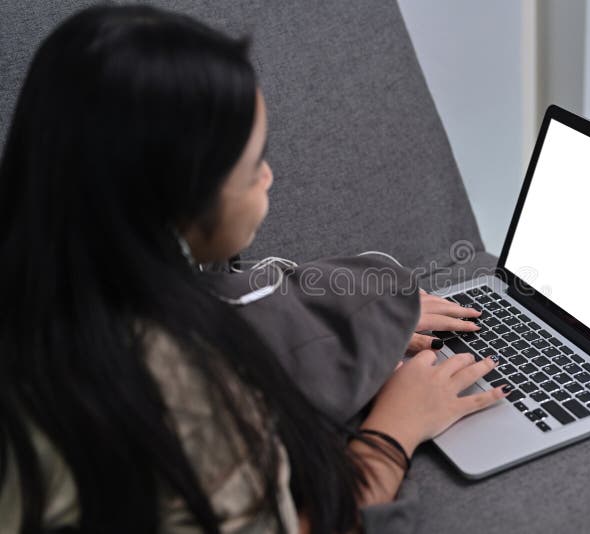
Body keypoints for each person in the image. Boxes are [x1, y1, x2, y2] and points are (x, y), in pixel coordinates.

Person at [0, 5, 506, 533]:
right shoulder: (184, 390)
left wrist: (368, 315)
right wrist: (396, 429)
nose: (269, 176)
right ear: (177, 202)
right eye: (251, 167)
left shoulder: (47, 283)